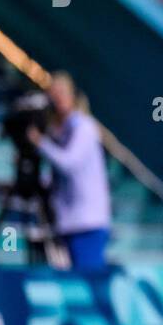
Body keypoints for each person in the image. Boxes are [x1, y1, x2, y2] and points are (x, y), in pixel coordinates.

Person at [26, 72, 112, 272]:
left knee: (87, 281)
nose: (58, 99)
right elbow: (57, 175)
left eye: (62, 93)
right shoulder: (59, 132)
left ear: (73, 96)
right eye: (53, 95)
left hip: (87, 223)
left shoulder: (84, 127)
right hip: (68, 221)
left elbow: (68, 163)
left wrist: (40, 143)